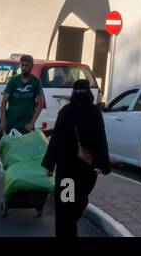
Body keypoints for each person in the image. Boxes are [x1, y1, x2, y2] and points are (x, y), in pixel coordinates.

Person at [41, 78, 110, 237]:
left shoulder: (66, 112)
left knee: (66, 207)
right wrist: (102, 164)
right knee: (78, 202)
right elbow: (101, 139)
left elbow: (55, 139)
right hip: (86, 170)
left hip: (67, 172)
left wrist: (49, 165)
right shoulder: (94, 112)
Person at [1, 55, 45, 135]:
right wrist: (3, 121)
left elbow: (41, 103)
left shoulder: (35, 81)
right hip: (12, 123)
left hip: (26, 125)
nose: (24, 68)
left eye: (26, 65)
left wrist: (32, 123)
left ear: (32, 66)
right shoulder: (14, 81)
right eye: (22, 65)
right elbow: (4, 101)